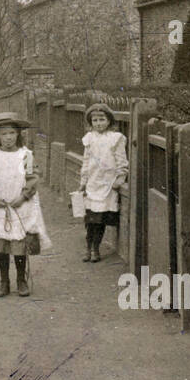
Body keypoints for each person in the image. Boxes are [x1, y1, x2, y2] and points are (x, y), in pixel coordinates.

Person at [0, 112, 51, 297]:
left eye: (11, 133)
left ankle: (21, 279)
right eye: (4, 134)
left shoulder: (25, 155)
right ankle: (4, 281)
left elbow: (32, 178)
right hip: (0, 204)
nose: (8, 137)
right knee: (2, 244)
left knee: (19, 244)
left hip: (19, 204)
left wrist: (24, 196)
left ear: (18, 134)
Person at [78, 103, 129, 263]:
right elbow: (86, 162)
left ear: (109, 120)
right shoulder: (89, 138)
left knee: (100, 219)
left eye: (102, 119)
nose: (98, 123)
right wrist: (83, 181)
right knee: (90, 219)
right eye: (95, 120)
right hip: (93, 183)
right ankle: (88, 247)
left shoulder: (116, 138)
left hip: (107, 184)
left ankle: (95, 248)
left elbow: (122, 161)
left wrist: (120, 178)